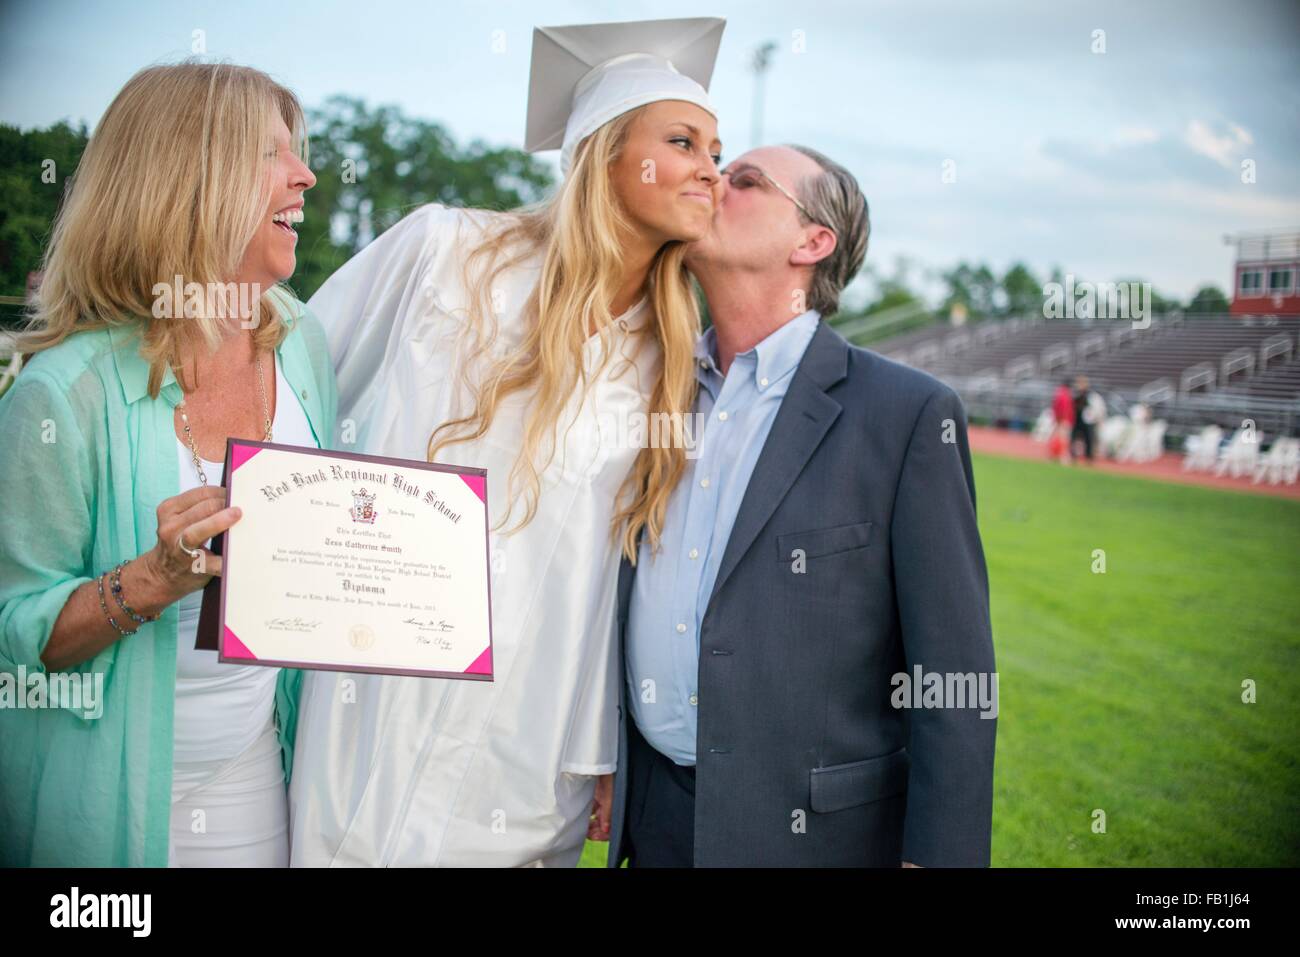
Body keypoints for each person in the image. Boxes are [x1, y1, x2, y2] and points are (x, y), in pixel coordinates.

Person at [288, 17, 727, 866]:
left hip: (530, 743)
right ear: (606, 155)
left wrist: (603, 751)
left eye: (717, 148)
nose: (711, 168)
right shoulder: (447, 254)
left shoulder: (670, 360)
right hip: (376, 690)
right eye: (683, 142)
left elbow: (620, 580)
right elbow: (298, 387)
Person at [606, 143, 997, 867]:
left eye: (744, 180)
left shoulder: (906, 413)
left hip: (813, 838)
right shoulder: (645, 384)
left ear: (814, 241)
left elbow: (954, 669)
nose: (712, 183)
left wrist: (938, 856)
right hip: (652, 818)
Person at [0, 62, 336, 866]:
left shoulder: (301, 342)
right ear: (188, 180)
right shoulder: (60, 394)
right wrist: (151, 578)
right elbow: (15, 635)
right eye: (273, 155)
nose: (307, 176)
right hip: (100, 802)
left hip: (259, 774)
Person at [1071, 374, 1100, 462]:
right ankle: (1073, 455)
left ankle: (1089, 456)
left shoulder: (1091, 396)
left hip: (1088, 421)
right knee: (1074, 438)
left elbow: (1094, 409)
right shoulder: (1076, 395)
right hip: (1077, 420)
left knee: (1088, 439)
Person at [1051, 377, 1074, 463]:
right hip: (1063, 419)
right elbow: (1064, 408)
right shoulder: (1065, 394)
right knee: (1064, 439)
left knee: (1056, 437)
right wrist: (1061, 419)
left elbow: (1056, 406)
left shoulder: (1059, 392)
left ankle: (1054, 454)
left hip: (1059, 419)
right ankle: (1063, 457)